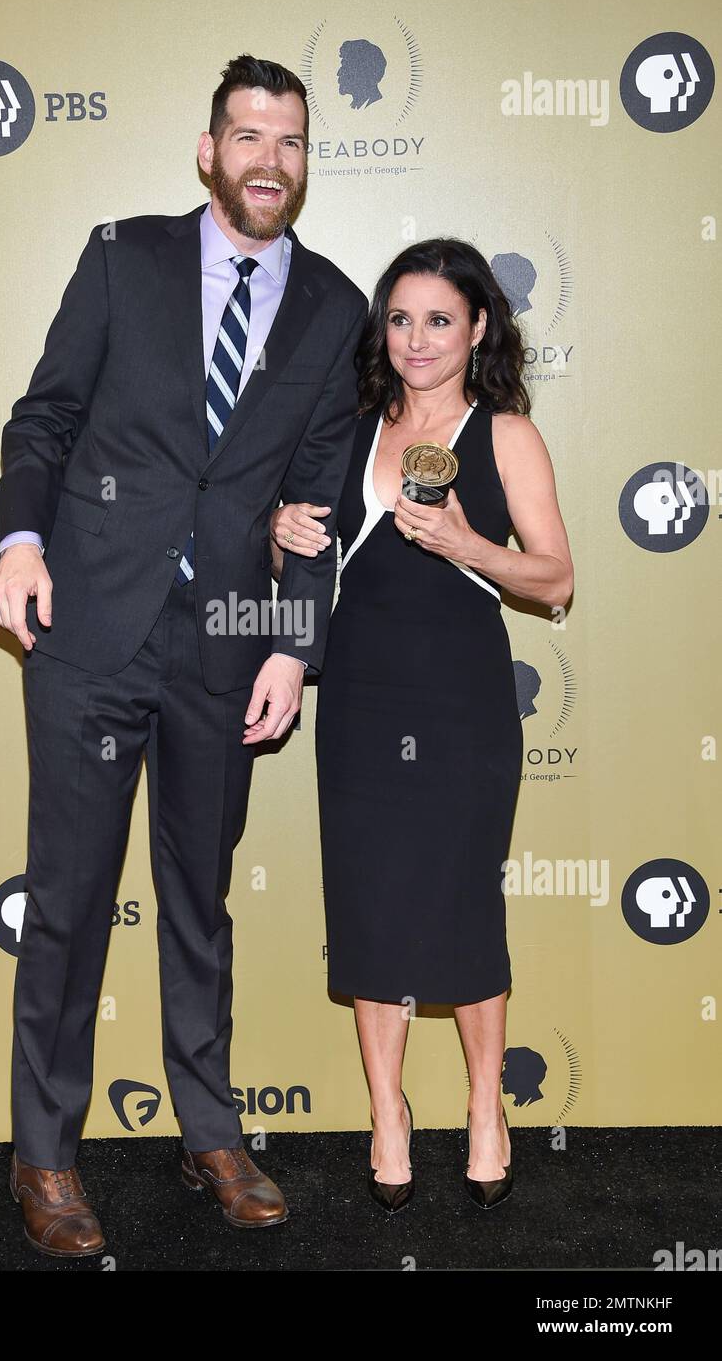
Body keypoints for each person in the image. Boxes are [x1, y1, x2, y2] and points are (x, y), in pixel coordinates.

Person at [0, 54, 368, 1255]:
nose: (268, 160)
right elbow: (43, 416)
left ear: (306, 162)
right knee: (71, 902)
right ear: (209, 151)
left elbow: (320, 504)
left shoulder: (337, 309)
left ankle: (211, 1132)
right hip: (90, 629)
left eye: (290, 142)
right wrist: (27, 537)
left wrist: (293, 646)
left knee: (200, 899)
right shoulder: (123, 258)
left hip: (227, 644)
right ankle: (44, 1158)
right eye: (248, 137)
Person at [269, 239, 573, 1212]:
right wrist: (282, 537)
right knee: (371, 902)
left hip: (461, 697)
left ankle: (488, 1107)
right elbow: (308, 561)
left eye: (439, 319)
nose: (417, 339)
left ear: (478, 326)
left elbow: (556, 577)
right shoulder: (348, 427)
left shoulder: (507, 434)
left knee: (460, 901)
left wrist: (466, 542)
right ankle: (387, 1111)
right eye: (400, 319)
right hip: (361, 693)